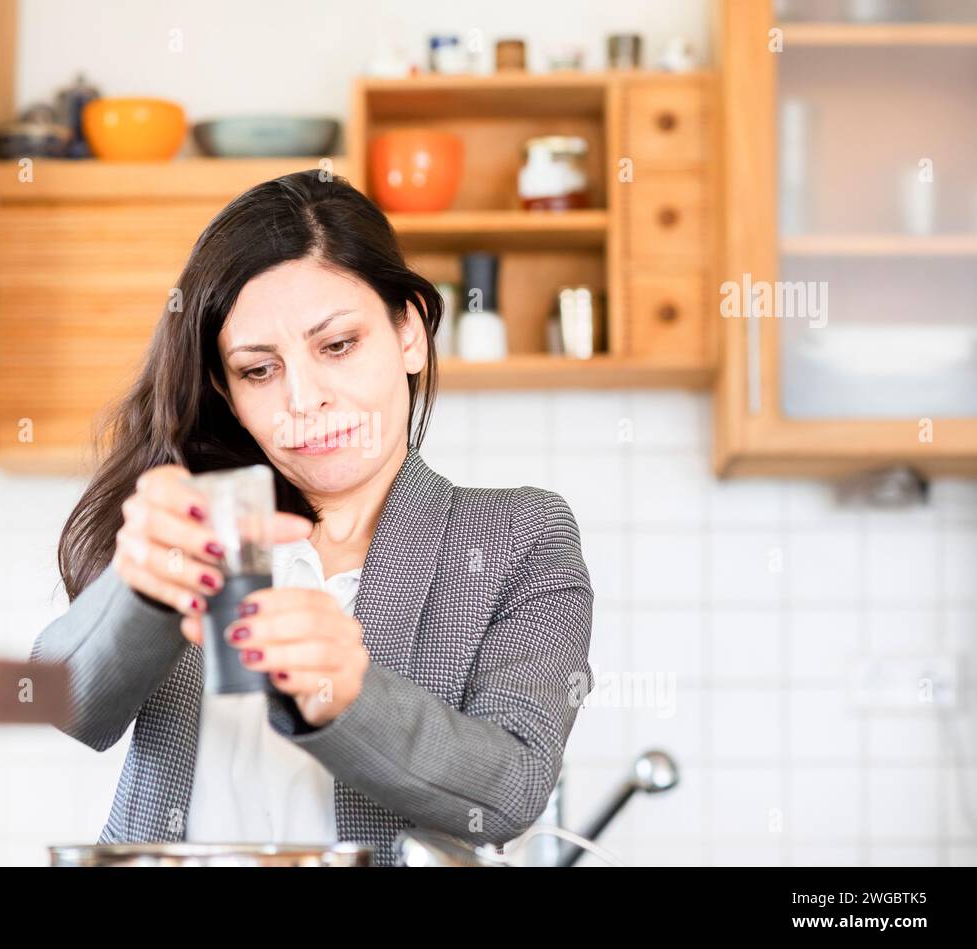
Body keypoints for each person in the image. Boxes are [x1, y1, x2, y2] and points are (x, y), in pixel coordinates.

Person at [30, 169, 595, 866]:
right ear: (226, 390)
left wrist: (347, 696)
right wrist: (135, 588)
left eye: (338, 346)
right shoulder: (199, 525)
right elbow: (63, 704)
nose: (304, 399)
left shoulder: (518, 536)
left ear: (410, 334)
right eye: (259, 370)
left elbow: (510, 790)